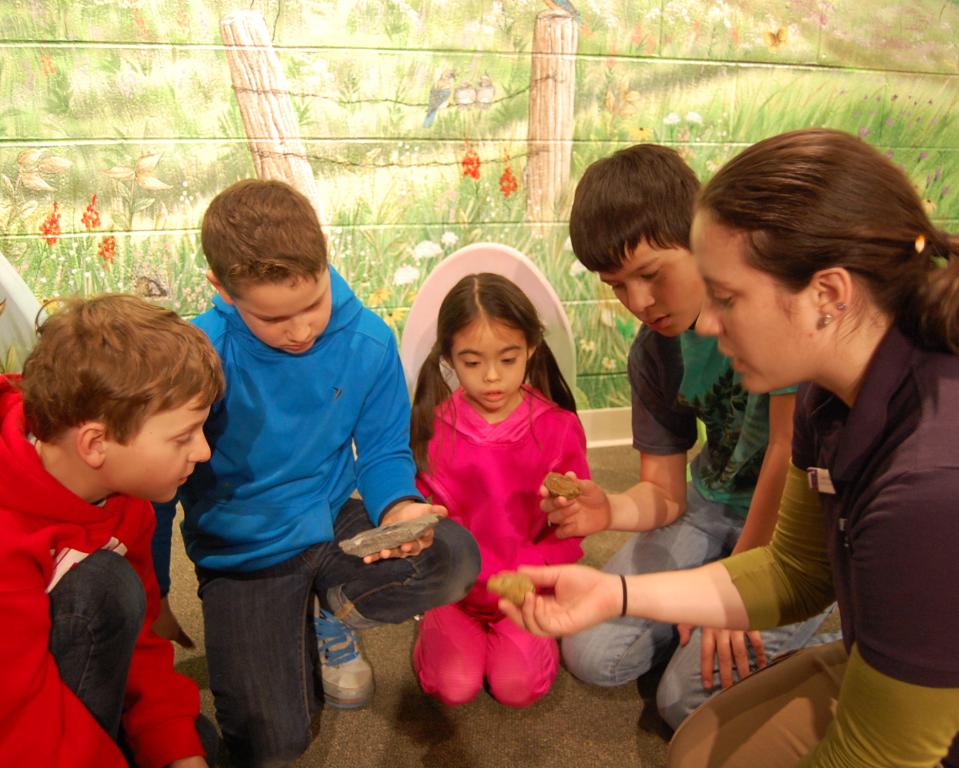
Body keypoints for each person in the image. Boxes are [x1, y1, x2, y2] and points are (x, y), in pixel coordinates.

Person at [501, 128, 959, 767]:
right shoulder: (826, 395)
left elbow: (879, 754)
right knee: (693, 746)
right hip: (852, 618)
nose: (708, 324)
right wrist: (617, 595)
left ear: (827, 295)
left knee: (686, 704)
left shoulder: (928, 486)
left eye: (728, 297)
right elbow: (793, 570)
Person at [152, 179, 480, 767]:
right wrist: (154, 589)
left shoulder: (368, 339)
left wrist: (399, 508)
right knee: (272, 748)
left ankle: (331, 611)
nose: (302, 331)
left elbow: (382, 452)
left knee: (451, 556)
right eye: (274, 317)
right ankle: (293, 620)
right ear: (221, 289)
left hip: (332, 523)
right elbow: (155, 489)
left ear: (326, 260)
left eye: (313, 304)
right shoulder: (198, 352)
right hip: (243, 552)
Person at [551, 143, 832, 728]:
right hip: (713, 503)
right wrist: (610, 509)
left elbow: (787, 453)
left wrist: (736, 586)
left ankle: (841, 630)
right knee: (591, 652)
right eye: (616, 285)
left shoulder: (771, 314)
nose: (638, 303)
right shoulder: (654, 351)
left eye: (651, 274)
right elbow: (665, 490)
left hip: (795, 516)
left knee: (682, 701)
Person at [0, 294, 224, 768]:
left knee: (194, 741)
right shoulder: (8, 534)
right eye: (183, 436)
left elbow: (140, 637)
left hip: (46, 675)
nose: (203, 451)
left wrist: (174, 745)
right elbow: (18, 714)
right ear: (96, 443)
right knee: (103, 582)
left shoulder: (127, 501)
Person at [409, 273, 589, 708]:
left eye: (508, 360)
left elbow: (573, 525)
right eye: (472, 363)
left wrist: (536, 573)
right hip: (455, 592)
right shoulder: (433, 428)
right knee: (454, 686)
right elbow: (422, 521)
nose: (492, 378)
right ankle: (436, 629)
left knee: (517, 688)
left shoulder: (559, 427)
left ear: (530, 348)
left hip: (526, 589)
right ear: (449, 358)